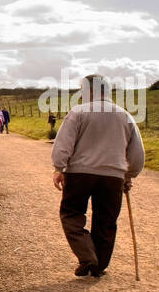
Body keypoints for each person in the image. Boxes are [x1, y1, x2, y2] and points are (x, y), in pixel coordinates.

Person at [51, 74, 145, 277]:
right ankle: (99, 265)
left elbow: (64, 143)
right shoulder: (124, 115)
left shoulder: (78, 112)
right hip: (113, 177)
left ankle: (87, 256)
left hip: (79, 174)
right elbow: (137, 153)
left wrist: (59, 167)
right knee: (106, 220)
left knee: (71, 214)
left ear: (91, 91)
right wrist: (128, 175)